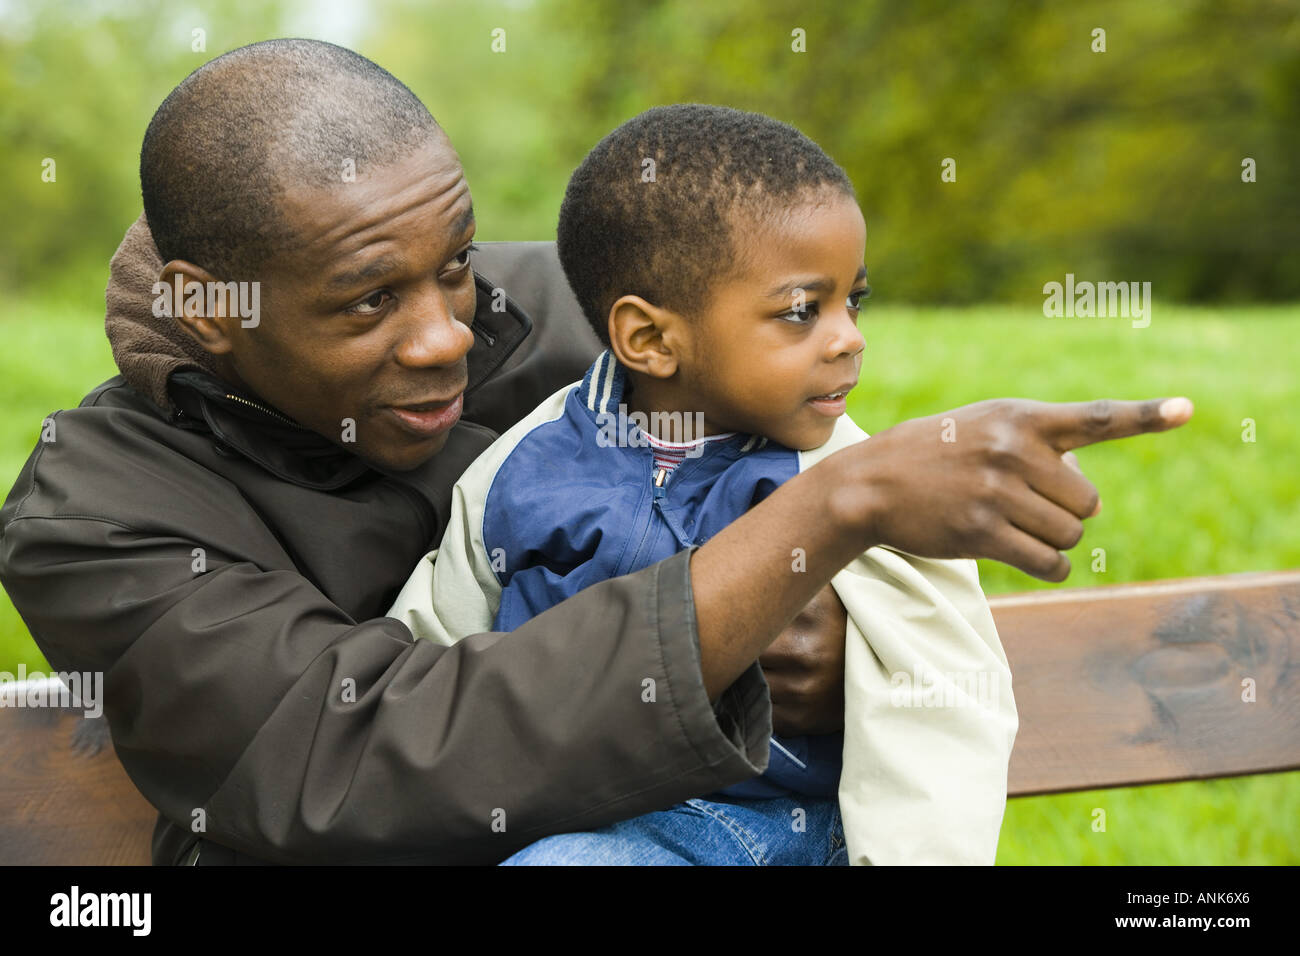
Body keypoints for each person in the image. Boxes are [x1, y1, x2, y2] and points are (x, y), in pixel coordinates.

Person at [0, 39, 1192, 866]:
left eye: (454, 260)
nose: (444, 336)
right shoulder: (95, 511)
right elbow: (356, 752)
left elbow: (837, 506)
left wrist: (844, 633)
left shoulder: (590, 314)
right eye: (368, 303)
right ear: (215, 310)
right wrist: (798, 541)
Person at [387, 105, 1019, 865]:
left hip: (777, 826)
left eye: (854, 299)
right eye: (800, 311)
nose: (849, 337)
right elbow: (437, 649)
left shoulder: (853, 487)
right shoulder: (527, 465)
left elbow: (943, 705)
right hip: (571, 816)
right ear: (651, 340)